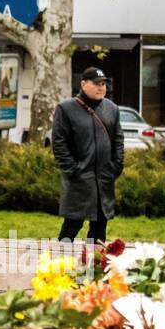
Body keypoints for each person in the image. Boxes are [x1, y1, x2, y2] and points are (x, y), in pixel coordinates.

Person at [50, 67, 125, 243]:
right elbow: (59, 144)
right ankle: (59, 266)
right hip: (79, 179)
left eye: (104, 84)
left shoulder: (111, 109)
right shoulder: (66, 109)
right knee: (71, 227)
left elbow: (118, 140)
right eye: (96, 84)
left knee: (99, 231)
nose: (101, 88)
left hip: (104, 180)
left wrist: (116, 167)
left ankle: (93, 268)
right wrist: (73, 170)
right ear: (83, 84)